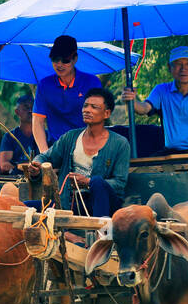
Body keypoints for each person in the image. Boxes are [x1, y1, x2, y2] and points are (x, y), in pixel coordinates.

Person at [24, 87, 129, 217]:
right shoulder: (70, 137)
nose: (87, 110)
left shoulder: (120, 143)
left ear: (106, 114)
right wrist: (36, 166)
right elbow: (45, 157)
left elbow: (119, 184)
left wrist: (88, 182)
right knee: (25, 207)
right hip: (70, 203)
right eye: (85, 106)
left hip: (104, 205)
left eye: (94, 107)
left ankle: (100, 232)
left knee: (97, 182)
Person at [120, 45, 188, 156]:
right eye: (177, 64)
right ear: (169, 67)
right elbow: (144, 108)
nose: (183, 68)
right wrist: (132, 101)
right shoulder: (161, 90)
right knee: (143, 169)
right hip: (172, 152)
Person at [32, 35, 103, 151]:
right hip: (56, 148)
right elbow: (38, 122)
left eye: (65, 61)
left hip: (88, 146)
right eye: (55, 59)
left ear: (75, 59)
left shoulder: (91, 82)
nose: (59, 64)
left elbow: (98, 118)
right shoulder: (44, 85)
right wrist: (45, 154)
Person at [0, 92, 36, 174]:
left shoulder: (46, 135)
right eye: (26, 108)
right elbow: (4, 165)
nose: (30, 111)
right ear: (17, 112)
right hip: (16, 180)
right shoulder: (9, 136)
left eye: (33, 108)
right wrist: (24, 167)